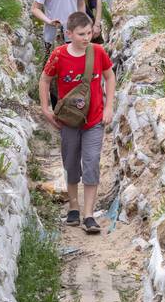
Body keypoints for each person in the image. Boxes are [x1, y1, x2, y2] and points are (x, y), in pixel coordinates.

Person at [39, 12, 116, 234]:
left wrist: (108, 106)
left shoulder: (98, 52)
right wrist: (46, 109)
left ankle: (89, 214)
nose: (86, 38)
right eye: (81, 34)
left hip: (94, 120)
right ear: (68, 34)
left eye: (89, 33)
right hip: (69, 121)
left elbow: (109, 76)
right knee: (71, 162)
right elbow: (45, 79)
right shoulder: (58, 55)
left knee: (91, 162)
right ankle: (73, 206)